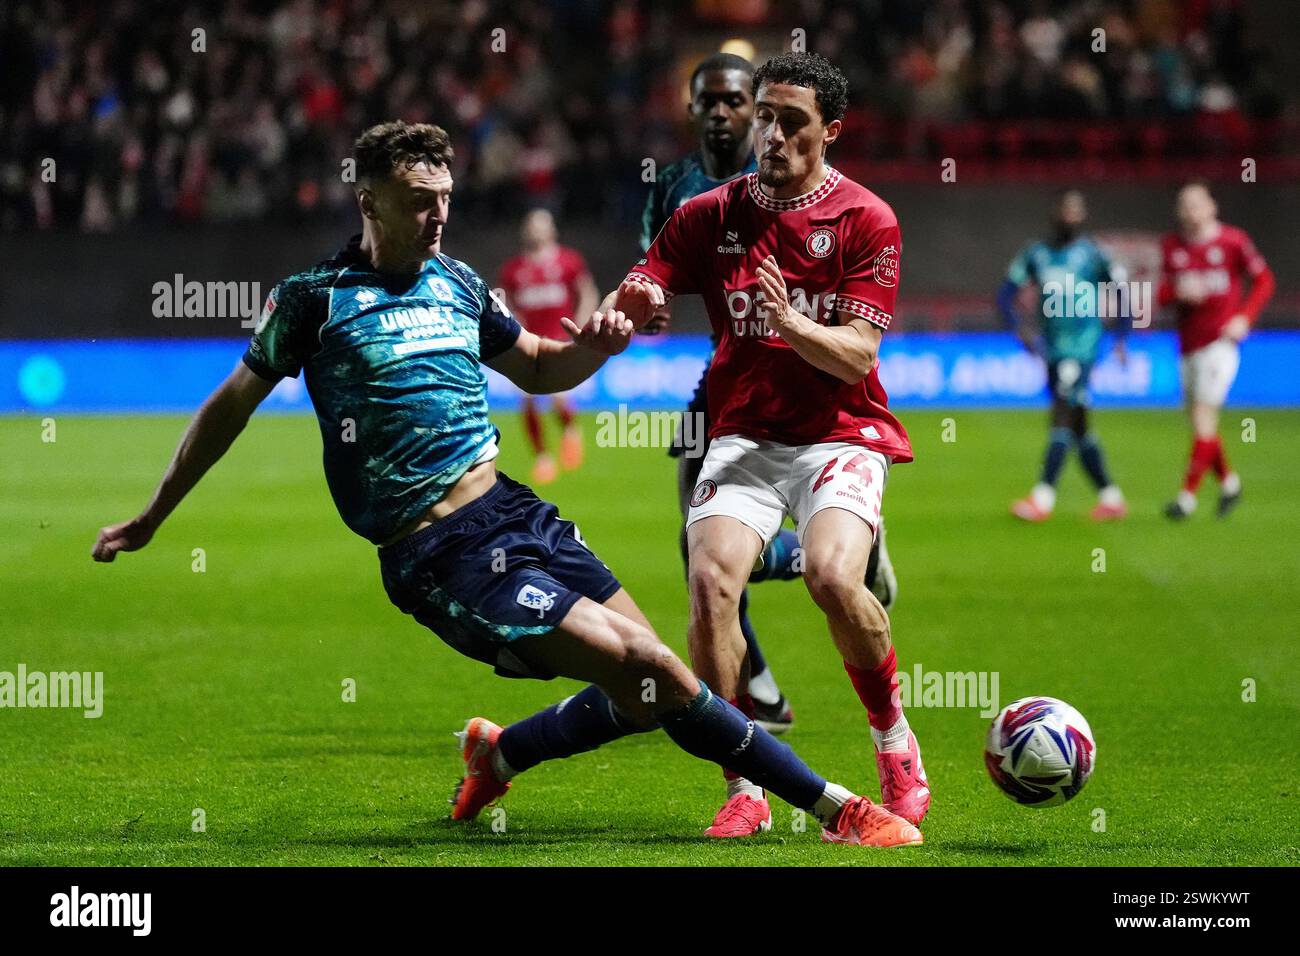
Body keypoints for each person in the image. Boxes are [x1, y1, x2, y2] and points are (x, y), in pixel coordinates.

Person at [91, 120, 921, 848]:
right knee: (657, 671)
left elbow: (536, 365)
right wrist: (156, 513)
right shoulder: (314, 301)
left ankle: (500, 753)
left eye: (445, 196)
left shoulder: (457, 283)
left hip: (516, 512)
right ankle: (835, 807)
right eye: (419, 199)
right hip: (436, 552)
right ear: (368, 201)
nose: (439, 214)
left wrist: (601, 341)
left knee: (648, 690)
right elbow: (229, 407)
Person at [612, 54, 929, 838]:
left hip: (839, 433)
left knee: (829, 577)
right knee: (711, 584)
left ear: (831, 131)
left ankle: (893, 739)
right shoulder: (710, 214)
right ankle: (744, 783)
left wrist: (790, 326)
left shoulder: (867, 218)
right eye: (766, 116)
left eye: (793, 121)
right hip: (745, 431)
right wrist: (636, 298)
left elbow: (858, 354)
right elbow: (647, 274)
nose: (773, 133)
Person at [1000, 189, 1129, 522]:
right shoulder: (1037, 253)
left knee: (1062, 415)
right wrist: (1020, 330)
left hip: (1082, 349)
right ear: (1054, 213)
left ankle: (1043, 498)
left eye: (1077, 209)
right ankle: (1111, 497)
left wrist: (1121, 338)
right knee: (1079, 425)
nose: (1071, 215)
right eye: (1065, 209)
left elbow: (1121, 291)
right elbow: (1005, 294)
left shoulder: (1093, 254)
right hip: (1052, 349)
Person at [1158, 180, 1274, 520]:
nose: (1190, 212)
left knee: (1205, 418)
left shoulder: (1233, 242)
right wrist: (1179, 293)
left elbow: (1264, 280)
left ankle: (1186, 499)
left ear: (1212, 207)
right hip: (1188, 344)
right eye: (1184, 205)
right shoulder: (1173, 247)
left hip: (1219, 344)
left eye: (1197, 204)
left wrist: (1244, 318)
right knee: (1200, 424)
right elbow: (1162, 295)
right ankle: (1230, 484)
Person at [498, 209, 598, 484]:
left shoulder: (568, 261)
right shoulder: (514, 269)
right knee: (526, 399)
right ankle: (543, 457)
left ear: (552, 230)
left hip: (560, 337)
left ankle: (569, 430)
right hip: (528, 340)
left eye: (541, 226)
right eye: (531, 226)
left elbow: (586, 291)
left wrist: (582, 323)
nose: (536, 231)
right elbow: (504, 303)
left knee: (558, 396)